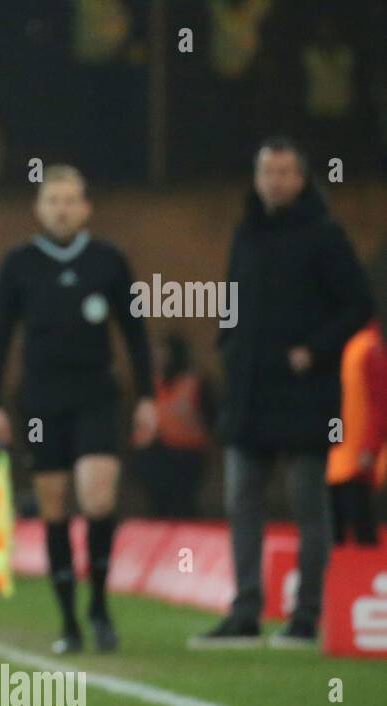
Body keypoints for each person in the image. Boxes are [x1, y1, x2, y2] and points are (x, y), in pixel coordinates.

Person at [191, 137, 374, 649]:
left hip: (302, 393)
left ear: (302, 178)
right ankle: (245, 612)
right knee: (241, 499)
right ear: (256, 178)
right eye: (266, 172)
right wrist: (228, 344)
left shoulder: (324, 235)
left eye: (285, 172)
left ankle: (305, 617)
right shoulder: (246, 233)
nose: (275, 181)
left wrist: (313, 351)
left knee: (306, 504)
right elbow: (231, 296)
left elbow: (358, 305)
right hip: (248, 391)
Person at [0, 165, 156, 655]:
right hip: (39, 402)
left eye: (70, 200)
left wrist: (146, 396)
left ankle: (99, 606)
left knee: (98, 498)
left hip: (97, 395)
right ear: (39, 208)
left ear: (85, 208)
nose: (61, 208)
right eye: (52, 200)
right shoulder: (19, 263)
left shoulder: (109, 261)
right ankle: (68, 623)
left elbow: (135, 334)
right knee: (55, 505)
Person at [132, 334, 213, 518]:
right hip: (153, 456)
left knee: (183, 507)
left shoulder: (195, 382)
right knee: (156, 507)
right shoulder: (148, 384)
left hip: (186, 457)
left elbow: (211, 417)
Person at [327, 317, 387, 545]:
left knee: (362, 528)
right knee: (334, 532)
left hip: (358, 461)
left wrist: (370, 448)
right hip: (336, 460)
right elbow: (336, 405)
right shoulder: (340, 347)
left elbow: (380, 405)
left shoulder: (367, 349)